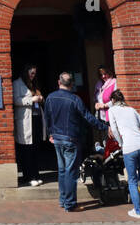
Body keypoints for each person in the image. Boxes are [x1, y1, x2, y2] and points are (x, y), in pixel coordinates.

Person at [43, 71, 106, 212]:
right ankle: (70, 204)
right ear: (72, 84)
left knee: (62, 171)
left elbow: (47, 118)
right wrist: (104, 127)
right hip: (71, 139)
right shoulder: (75, 99)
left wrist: (50, 133)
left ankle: (63, 200)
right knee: (71, 172)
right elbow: (88, 117)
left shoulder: (50, 98)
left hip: (57, 138)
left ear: (59, 82)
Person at [106, 90, 140, 221]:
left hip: (129, 147)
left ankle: (138, 211)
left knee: (132, 181)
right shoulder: (132, 109)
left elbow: (114, 129)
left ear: (113, 101)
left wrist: (121, 143)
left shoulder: (112, 111)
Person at [12, 67, 45, 186]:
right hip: (25, 121)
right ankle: (28, 177)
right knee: (27, 149)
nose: (33, 75)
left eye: (35, 74)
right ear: (25, 72)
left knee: (36, 148)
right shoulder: (17, 83)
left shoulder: (34, 84)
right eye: (31, 73)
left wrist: (41, 99)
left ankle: (36, 175)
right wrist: (31, 100)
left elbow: (38, 98)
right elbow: (15, 100)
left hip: (36, 119)